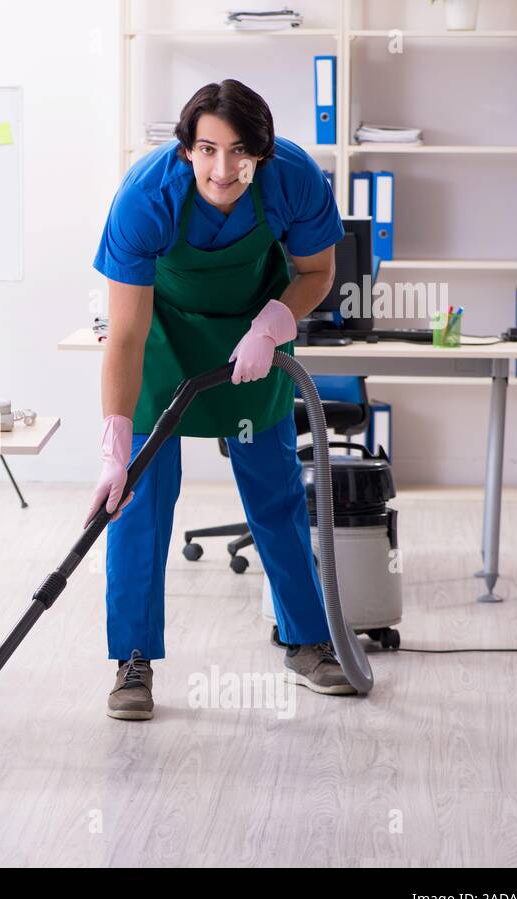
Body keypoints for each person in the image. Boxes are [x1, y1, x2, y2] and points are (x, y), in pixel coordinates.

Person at [89, 78, 354, 721]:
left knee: (274, 490)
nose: (223, 169)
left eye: (239, 152)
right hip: (164, 338)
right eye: (206, 150)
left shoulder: (293, 178)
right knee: (141, 499)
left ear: (262, 152)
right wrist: (115, 443)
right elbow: (124, 334)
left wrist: (273, 325)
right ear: (185, 149)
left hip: (250, 337)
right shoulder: (146, 198)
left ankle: (307, 641)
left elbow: (318, 273)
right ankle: (133, 660)